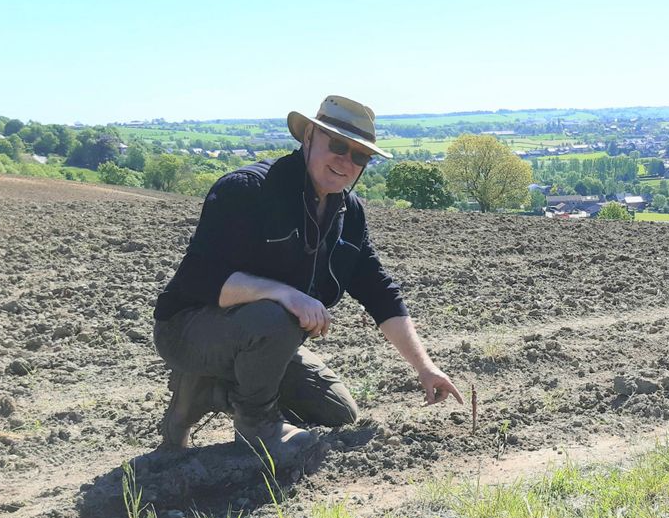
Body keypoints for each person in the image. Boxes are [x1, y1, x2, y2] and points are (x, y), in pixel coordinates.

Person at [152, 95, 461, 461]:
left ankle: (207, 391)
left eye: (360, 156)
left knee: (338, 412)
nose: (346, 161)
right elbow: (200, 281)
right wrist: (284, 294)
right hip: (187, 330)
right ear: (309, 136)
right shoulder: (247, 190)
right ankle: (256, 425)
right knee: (276, 316)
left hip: (261, 339)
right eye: (338, 146)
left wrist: (425, 368)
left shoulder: (349, 214)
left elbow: (380, 292)